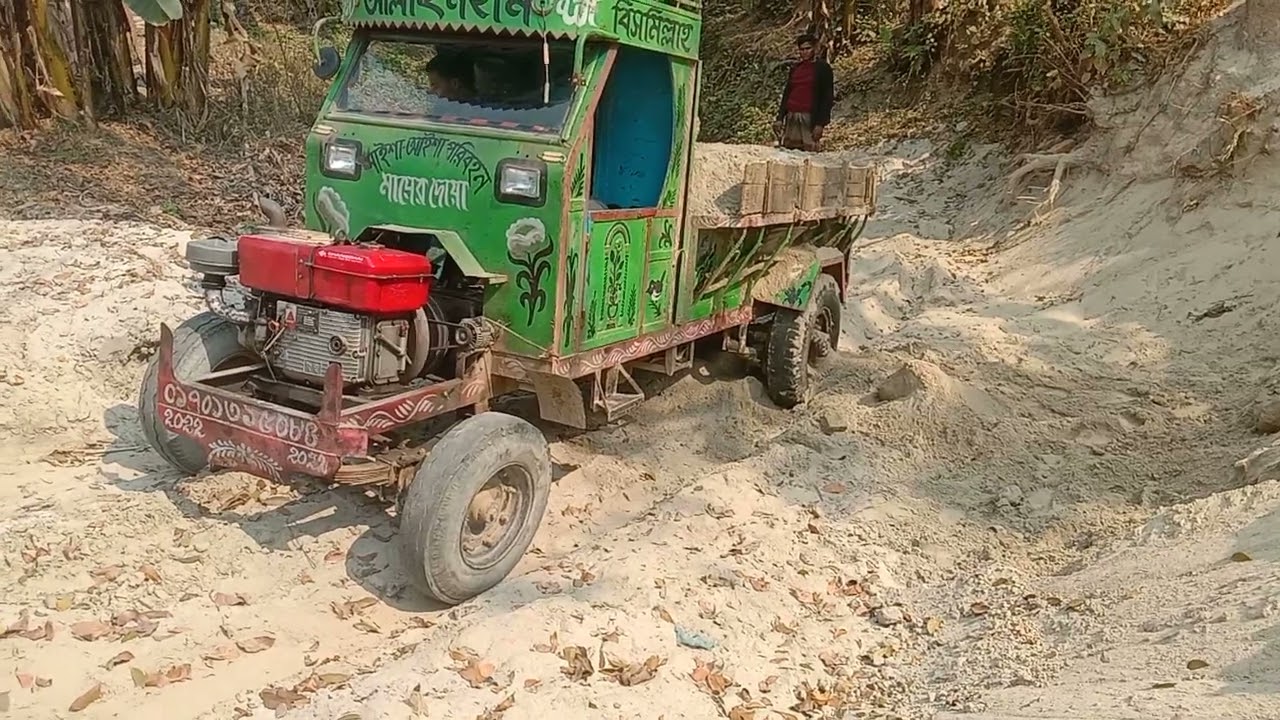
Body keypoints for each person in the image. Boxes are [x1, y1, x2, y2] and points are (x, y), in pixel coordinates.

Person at [773, 33, 835, 151]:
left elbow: (827, 98)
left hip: (809, 118)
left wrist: (820, 124)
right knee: (790, 151)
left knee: (809, 151)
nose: (805, 52)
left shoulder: (822, 69)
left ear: (814, 49)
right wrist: (780, 117)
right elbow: (787, 93)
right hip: (792, 116)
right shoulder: (795, 68)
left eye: (808, 48)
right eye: (802, 49)